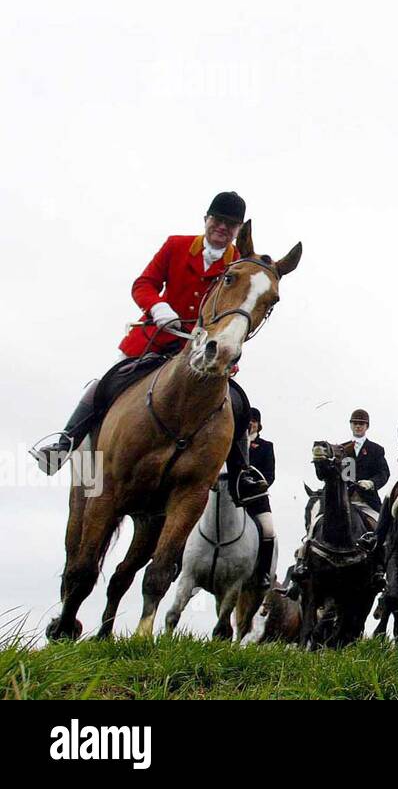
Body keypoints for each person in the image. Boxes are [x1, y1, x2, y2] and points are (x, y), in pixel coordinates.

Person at [32, 191, 263, 508]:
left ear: (238, 230)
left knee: (235, 403)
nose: (223, 228)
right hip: (155, 338)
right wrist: (158, 307)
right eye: (218, 220)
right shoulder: (176, 245)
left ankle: (241, 474)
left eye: (231, 224)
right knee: (104, 385)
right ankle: (64, 444)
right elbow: (143, 284)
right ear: (206, 219)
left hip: (204, 352)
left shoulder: (239, 263)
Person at [245, 408, 277, 589]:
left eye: (254, 421)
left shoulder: (266, 446)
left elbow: (270, 475)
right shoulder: (233, 443)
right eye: (248, 420)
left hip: (257, 499)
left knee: (268, 530)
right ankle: (178, 562)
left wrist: (258, 485)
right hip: (232, 497)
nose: (251, 424)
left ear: (259, 424)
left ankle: (263, 572)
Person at [342, 409, 389, 513]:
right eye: (355, 423)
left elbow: (384, 473)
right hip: (344, 501)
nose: (358, 426)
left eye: (361, 424)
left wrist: (372, 483)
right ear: (351, 425)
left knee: (383, 527)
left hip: (367, 502)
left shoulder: (376, 449)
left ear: (367, 426)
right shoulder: (341, 449)